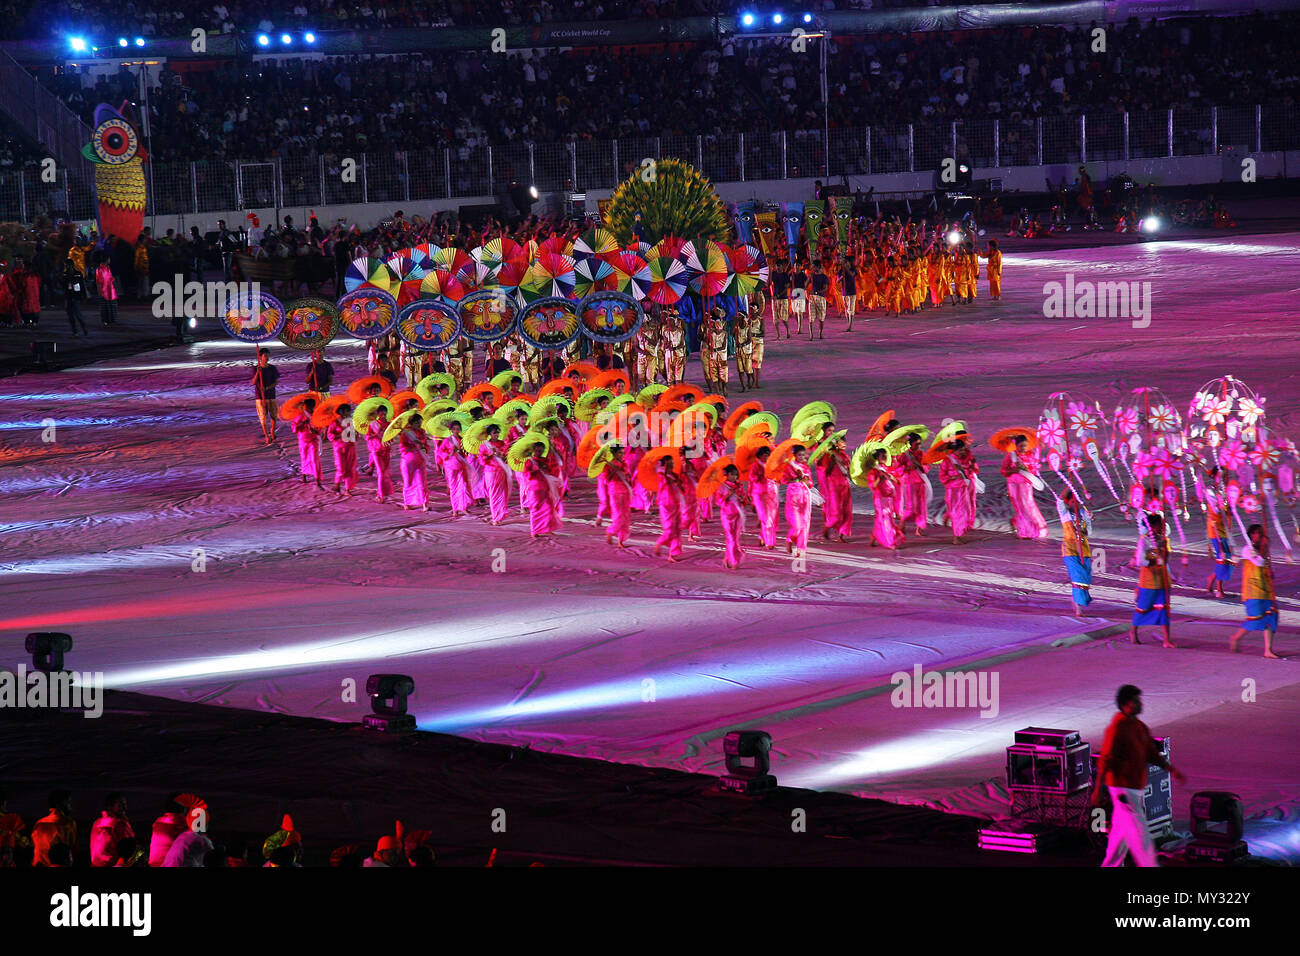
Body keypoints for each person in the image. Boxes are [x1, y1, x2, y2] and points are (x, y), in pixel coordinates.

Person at [1091, 685, 1185, 867]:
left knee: (1119, 838)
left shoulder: (1139, 726)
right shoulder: (1117, 728)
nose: (1140, 703)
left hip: (1133, 789)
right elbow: (1105, 760)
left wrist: (1171, 769)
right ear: (1127, 705)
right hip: (1123, 790)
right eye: (1136, 700)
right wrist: (1097, 790)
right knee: (1140, 834)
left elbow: (1151, 752)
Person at [1228, 524, 1281, 658]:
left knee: (1271, 617)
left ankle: (1268, 649)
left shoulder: (1264, 550)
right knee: (1255, 619)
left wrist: (1270, 572)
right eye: (1256, 533)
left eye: (1260, 533)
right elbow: (1259, 562)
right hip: (1253, 591)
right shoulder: (1248, 549)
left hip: (1266, 589)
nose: (1259, 536)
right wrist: (1264, 547)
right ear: (1251, 535)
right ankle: (1236, 637)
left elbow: (1266, 565)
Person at [1130, 512, 1175, 648]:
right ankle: (1133, 631)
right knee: (1143, 607)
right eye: (1158, 526)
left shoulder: (1163, 540)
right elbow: (1140, 561)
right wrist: (1154, 561)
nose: (1161, 528)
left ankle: (1166, 640)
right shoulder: (1144, 541)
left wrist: (1164, 552)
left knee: (1164, 608)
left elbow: (1167, 559)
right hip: (1148, 581)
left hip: (1163, 580)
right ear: (1152, 526)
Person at [1001, 435, 1047, 539]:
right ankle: (1024, 532)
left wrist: (1026, 469)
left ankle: (1021, 523)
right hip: (1014, 484)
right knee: (1021, 507)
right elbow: (1004, 471)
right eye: (1021, 446)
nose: (1023, 448)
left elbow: (1034, 470)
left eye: (1025, 446)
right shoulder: (1011, 456)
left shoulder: (1030, 455)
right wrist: (1015, 470)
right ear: (1016, 446)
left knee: (1029, 506)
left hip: (1026, 484)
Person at [1057, 488, 1093, 618]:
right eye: (1072, 501)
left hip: (1084, 550)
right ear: (1068, 502)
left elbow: (1089, 532)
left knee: (1086, 578)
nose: (1075, 504)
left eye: (1077, 501)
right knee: (1078, 577)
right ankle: (1078, 608)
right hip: (1070, 550)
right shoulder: (1064, 514)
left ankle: (1078, 600)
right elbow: (1059, 499)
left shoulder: (1084, 514)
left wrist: (1083, 527)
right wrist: (1068, 486)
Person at [938, 438, 978, 543]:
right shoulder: (947, 460)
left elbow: (970, 472)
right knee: (957, 512)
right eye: (960, 450)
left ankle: (959, 531)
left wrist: (971, 467)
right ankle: (956, 536)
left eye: (963, 450)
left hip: (963, 488)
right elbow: (942, 476)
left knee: (966, 512)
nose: (962, 452)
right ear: (954, 450)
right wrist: (953, 477)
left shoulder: (965, 458)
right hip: (953, 490)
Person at [867, 448, 903, 553]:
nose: (885, 457)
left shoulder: (889, 469)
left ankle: (874, 536)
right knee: (886, 519)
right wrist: (879, 478)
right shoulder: (874, 471)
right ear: (877, 458)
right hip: (880, 498)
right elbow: (872, 486)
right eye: (882, 455)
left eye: (885, 455)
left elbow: (898, 481)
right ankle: (890, 541)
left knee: (883, 518)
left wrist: (890, 476)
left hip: (890, 497)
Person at [818, 434, 852, 542]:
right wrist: (833, 461)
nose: (844, 444)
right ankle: (827, 527)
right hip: (833, 486)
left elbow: (849, 472)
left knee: (847, 511)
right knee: (836, 512)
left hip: (845, 485)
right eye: (842, 442)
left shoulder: (846, 456)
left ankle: (841, 535)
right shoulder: (828, 456)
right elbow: (825, 472)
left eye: (845, 442)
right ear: (835, 444)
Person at [523, 440, 561, 537]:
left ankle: (548, 528)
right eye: (537, 451)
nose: (539, 452)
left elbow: (551, 471)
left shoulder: (545, 460)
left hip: (545, 487)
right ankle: (534, 530)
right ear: (534, 450)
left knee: (548, 508)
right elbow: (526, 475)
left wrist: (545, 468)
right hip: (535, 489)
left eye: (541, 451)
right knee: (535, 509)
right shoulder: (529, 461)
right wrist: (533, 470)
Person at [30, 789, 77, 867]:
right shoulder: (67, 823)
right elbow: (72, 848)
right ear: (59, 805)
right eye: (68, 803)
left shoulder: (39, 823)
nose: (70, 806)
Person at [896, 432, 930, 536]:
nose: (918, 446)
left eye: (920, 444)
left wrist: (920, 465)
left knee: (922, 506)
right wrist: (907, 468)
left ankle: (919, 529)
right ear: (911, 444)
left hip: (921, 482)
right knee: (911, 506)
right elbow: (897, 468)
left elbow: (926, 468)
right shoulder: (904, 455)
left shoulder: (922, 454)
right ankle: (902, 524)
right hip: (910, 482)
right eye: (916, 444)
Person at [783, 445, 814, 557]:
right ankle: (789, 538)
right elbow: (784, 480)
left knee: (805, 524)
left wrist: (806, 481)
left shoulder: (806, 468)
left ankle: (801, 548)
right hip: (793, 497)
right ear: (794, 455)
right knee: (797, 525)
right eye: (799, 455)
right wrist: (797, 478)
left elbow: (810, 484)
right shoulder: (789, 467)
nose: (801, 457)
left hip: (805, 497)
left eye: (803, 455)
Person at [653, 454, 685, 561]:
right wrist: (667, 473)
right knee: (669, 528)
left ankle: (672, 554)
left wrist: (679, 483)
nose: (672, 464)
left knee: (677, 529)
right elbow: (664, 484)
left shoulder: (675, 475)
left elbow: (682, 489)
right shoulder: (661, 475)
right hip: (665, 504)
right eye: (669, 462)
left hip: (676, 503)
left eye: (672, 462)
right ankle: (660, 542)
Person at [716, 463, 748, 569]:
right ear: (727, 475)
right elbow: (718, 502)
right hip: (727, 515)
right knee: (731, 538)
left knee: (735, 538)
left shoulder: (739, 486)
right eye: (732, 474)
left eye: (736, 475)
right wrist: (727, 495)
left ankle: (728, 558)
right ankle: (734, 561)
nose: (734, 477)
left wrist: (743, 499)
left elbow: (744, 500)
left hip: (738, 514)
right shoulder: (722, 486)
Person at [478, 423, 511, 525]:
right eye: (494, 432)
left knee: (503, 494)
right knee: (493, 495)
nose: (496, 434)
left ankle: (500, 515)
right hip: (491, 473)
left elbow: (507, 458)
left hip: (502, 471)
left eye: (497, 432)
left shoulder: (503, 444)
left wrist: (502, 455)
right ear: (489, 434)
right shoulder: (485, 446)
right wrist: (489, 455)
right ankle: (495, 518)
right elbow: (481, 460)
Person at [438, 420, 473, 516]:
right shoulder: (447, 440)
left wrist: (461, 450)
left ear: (460, 429)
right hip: (450, 466)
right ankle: (455, 509)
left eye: (458, 429)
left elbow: (466, 454)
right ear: (451, 429)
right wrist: (451, 453)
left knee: (463, 486)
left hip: (461, 465)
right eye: (454, 429)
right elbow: (440, 452)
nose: (456, 431)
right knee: (453, 487)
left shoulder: (462, 440)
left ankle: (463, 507)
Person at [90, 792, 134, 867]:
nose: (125, 808)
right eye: (121, 804)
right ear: (110, 806)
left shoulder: (96, 823)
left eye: (124, 804)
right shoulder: (119, 824)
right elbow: (131, 849)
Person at [398, 414, 430, 512]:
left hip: (420, 459)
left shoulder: (422, 432)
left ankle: (425, 503)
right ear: (412, 423)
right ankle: (407, 502)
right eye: (417, 423)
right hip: (408, 460)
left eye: (420, 422)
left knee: (422, 482)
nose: (419, 424)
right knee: (408, 482)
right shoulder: (406, 433)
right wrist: (415, 447)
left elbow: (426, 447)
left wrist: (423, 446)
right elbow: (402, 448)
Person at [748, 445, 778, 549]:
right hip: (759, 495)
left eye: (768, 456)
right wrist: (762, 474)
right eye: (765, 456)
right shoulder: (755, 466)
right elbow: (752, 479)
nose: (767, 458)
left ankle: (763, 537)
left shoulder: (771, 465)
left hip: (772, 494)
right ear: (760, 456)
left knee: (772, 518)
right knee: (765, 518)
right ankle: (769, 542)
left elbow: (778, 478)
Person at [603, 445, 634, 547]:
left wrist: (628, 476)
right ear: (614, 454)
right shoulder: (608, 465)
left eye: (623, 453)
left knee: (626, 516)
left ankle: (621, 540)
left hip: (625, 491)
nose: (622, 455)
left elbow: (628, 476)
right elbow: (606, 480)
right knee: (618, 515)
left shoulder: (624, 463)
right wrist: (615, 470)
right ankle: (611, 531)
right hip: (615, 491)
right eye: (620, 453)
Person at [326, 404, 359, 495]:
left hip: (350, 447)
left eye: (349, 411)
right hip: (339, 448)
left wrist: (355, 433)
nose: (349, 413)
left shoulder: (351, 422)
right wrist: (340, 435)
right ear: (342, 412)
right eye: (347, 411)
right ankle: (337, 484)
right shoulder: (334, 422)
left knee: (350, 468)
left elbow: (355, 436)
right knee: (341, 468)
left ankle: (347, 489)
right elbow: (329, 435)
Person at [290, 398, 323, 487]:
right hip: (303, 440)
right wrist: (303, 423)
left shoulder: (316, 416)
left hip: (313, 440)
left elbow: (319, 429)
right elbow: (294, 428)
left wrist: (315, 430)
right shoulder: (300, 415)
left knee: (314, 459)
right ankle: (304, 475)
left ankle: (317, 478)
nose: (308, 408)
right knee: (304, 457)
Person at [1204, 489, 1231, 599]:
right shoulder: (1212, 495)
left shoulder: (1223, 493)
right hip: (1216, 533)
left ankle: (1212, 578)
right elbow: (1213, 520)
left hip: (1224, 531)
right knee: (1222, 558)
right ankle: (1219, 588)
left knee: (1226, 558)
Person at [364, 403, 392, 501]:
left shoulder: (389, 424)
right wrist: (376, 434)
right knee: (380, 473)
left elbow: (391, 438)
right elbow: (367, 437)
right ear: (378, 414)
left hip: (386, 451)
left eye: (385, 414)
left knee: (386, 472)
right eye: (381, 414)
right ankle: (380, 495)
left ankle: (385, 492)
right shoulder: (373, 424)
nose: (383, 416)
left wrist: (389, 439)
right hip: (376, 451)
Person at [251, 348, 280, 445]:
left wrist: (267, 388)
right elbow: (254, 382)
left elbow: (275, 382)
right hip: (260, 397)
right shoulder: (256, 368)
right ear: (260, 357)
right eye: (265, 356)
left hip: (271, 395)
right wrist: (257, 373)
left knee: (274, 416)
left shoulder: (272, 368)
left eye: (268, 355)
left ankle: (272, 430)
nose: (267, 358)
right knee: (263, 417)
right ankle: (267, 436)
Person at [63, 259, 89, 336]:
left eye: (66, 265)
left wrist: (84, 296)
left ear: (71, 265)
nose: (66, 267)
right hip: (68, 297)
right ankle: (75, 332)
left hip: (76, 297)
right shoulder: (65, 274)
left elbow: (82, 286)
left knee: (78, 314)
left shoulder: (78, 274)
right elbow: (63, 285)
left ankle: (84, 328)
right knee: (70, 316)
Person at [808, 262, 829, 339]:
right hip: (812, 298)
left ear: (818, 267)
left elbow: (825, 289)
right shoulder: (812, 276)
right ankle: (811, 334)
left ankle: (820, 333)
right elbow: (805, 285)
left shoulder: (824, 277)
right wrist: (809, 278)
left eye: (813, 267)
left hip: (821, 298)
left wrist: (816, 292)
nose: (812, 269)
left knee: (821, 317)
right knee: (811, 317)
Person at [94, 257, 118, 325]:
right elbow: (98, 282)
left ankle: (113, 320)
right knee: (104, 307)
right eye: (109, 259)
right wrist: (99, 291)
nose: (110, 260)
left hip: (111, 291)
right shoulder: (99, 270)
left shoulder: (108, 268)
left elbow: (110, 279)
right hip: (104, 291)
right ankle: (105, 320)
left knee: (112, 306)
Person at [839, 256, 858, 329]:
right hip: (844, 292)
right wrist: (841, 277)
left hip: (852, 292)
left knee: (851, 309)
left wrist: (846, 269)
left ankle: (850, 326)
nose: (845, 264)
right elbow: (837, 281)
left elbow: (852, 274)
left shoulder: (853, 269)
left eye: (846, 262)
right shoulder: (841, 271)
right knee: (846, 309)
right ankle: (848, 323)